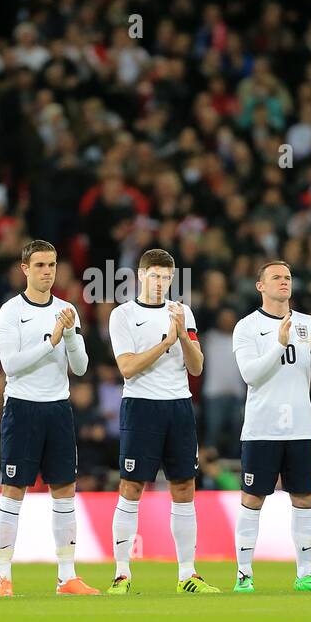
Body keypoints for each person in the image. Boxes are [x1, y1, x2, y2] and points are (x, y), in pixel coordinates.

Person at [108, 248, 219, 594]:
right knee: (132, 487)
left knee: (184, 488)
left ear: (172, 279)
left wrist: (183, 336)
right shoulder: (123, 315)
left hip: (179, 407)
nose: (159, 283)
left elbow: (197, 366)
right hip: (141, 406)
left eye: (166, 277)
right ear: (141, 276)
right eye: (153, 276)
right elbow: (127, 367)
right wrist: (165, 342)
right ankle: (122, 574)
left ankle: (188, 573)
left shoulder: (181, 312)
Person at [0, 240, 98, 596]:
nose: (47, 271)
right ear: (25, 269)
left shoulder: (68, 309)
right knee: (13, 490)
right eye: (39, 265)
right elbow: (11, 365)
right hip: (22, 407)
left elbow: (81, 367)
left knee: (65, 490)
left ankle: (66, 576)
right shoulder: (10, 311)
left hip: (58, 409)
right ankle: (2, 575)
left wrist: (68, 335)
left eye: (51, 265)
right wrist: (51, 340)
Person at [231, 261, 311, 593]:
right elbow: (250, 375)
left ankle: (306, 572)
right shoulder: (247, 327)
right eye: (276, 277)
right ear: (260, 286)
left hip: (301, 429)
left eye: (288, 277)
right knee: (252, 499)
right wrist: (278, 343)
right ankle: (244, 574)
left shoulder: (308, 324)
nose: (284, 282)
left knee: (304, 499)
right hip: (262, 429)